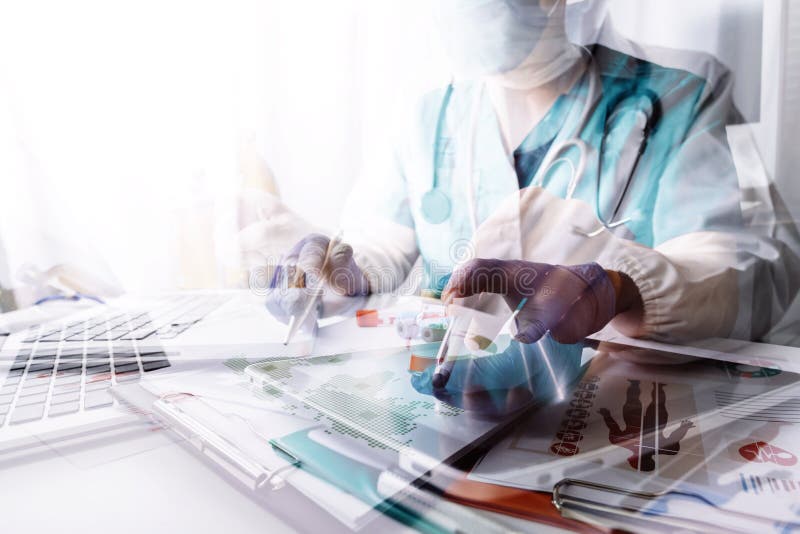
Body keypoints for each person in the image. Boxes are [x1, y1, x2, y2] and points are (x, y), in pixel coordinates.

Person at [263, 0, 800, 408]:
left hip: (611, 417)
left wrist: (621, 290)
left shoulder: (682, 99)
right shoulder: (429, 116)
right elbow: (382, 241)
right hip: (447, 417)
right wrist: (344, 271)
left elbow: (756, 274)